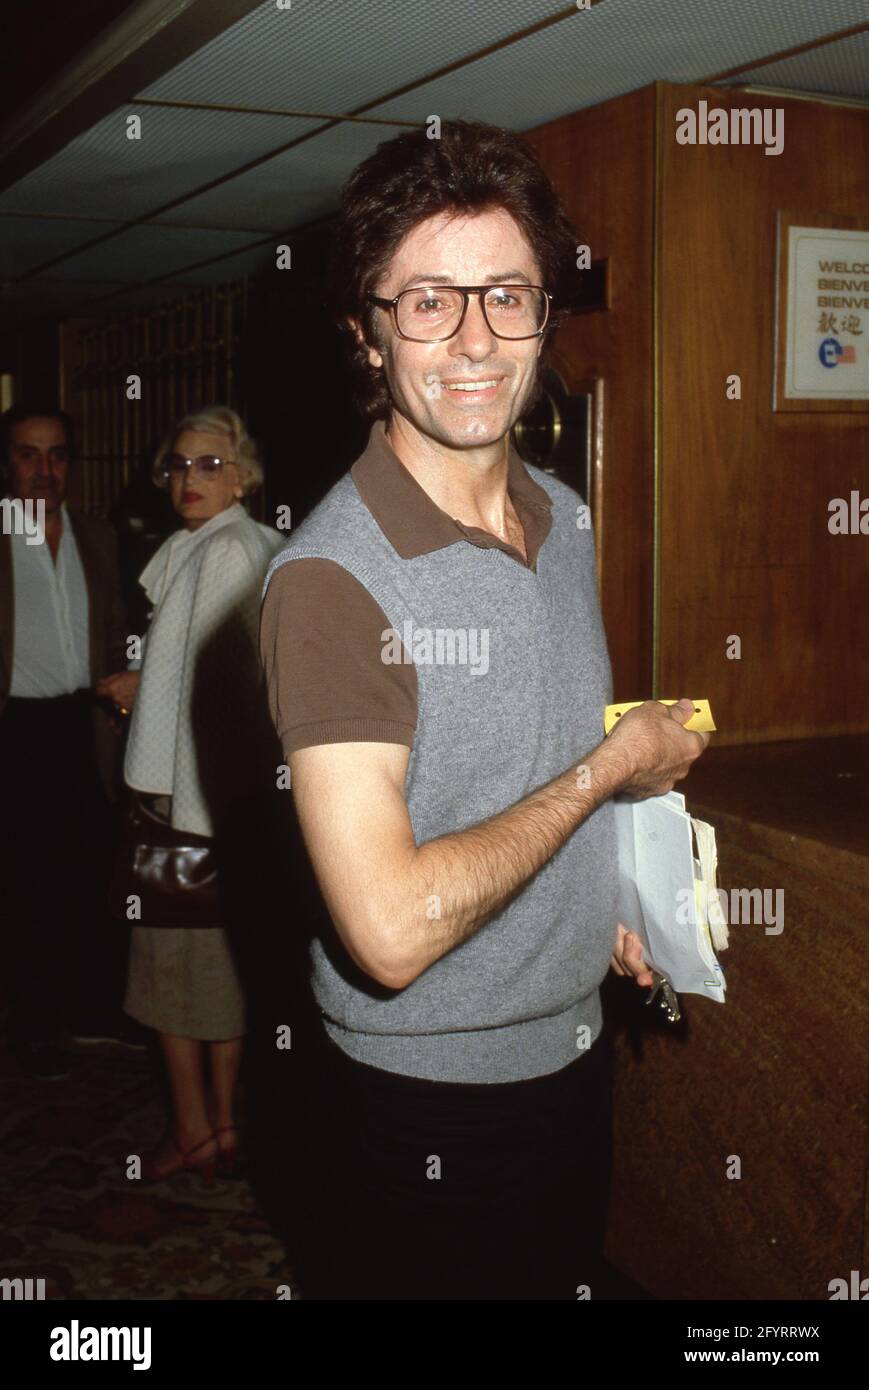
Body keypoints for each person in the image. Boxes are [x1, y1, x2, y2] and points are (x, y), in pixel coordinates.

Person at [259, 120, 711, 1300]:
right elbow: (392, 932)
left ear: (543, 319)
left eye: (505, 296)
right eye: (427, 303)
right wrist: (611, 769)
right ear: (367, 335)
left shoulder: (563, 516)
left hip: (571, 1060)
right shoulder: (328, 583)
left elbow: (533, 750)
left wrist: (605, 898)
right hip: (422, 1110)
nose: (472, 340)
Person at [101, 406, 285, 1183]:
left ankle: (191, 1130)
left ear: (242, 475)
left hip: (186, 806)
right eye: (177, 466)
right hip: (221, 809)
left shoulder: (223, 552)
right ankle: (223, 1123)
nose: (188, 480)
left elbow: (205, 698)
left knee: (171, 978)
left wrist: (139, 695)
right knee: (218, 978)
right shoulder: (224, 545)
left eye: (209, 465)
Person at [0, 404, 132, 1080]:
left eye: (55, 455)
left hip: (85, 726)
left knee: (88, 870)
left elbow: (115, 628)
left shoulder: (98, 534)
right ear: (7, 463)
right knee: (24, 882)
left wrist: (125, 679)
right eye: (28, 454)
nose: (43, 470)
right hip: (17, 730)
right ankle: (33, 1024)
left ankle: (91, 1011)